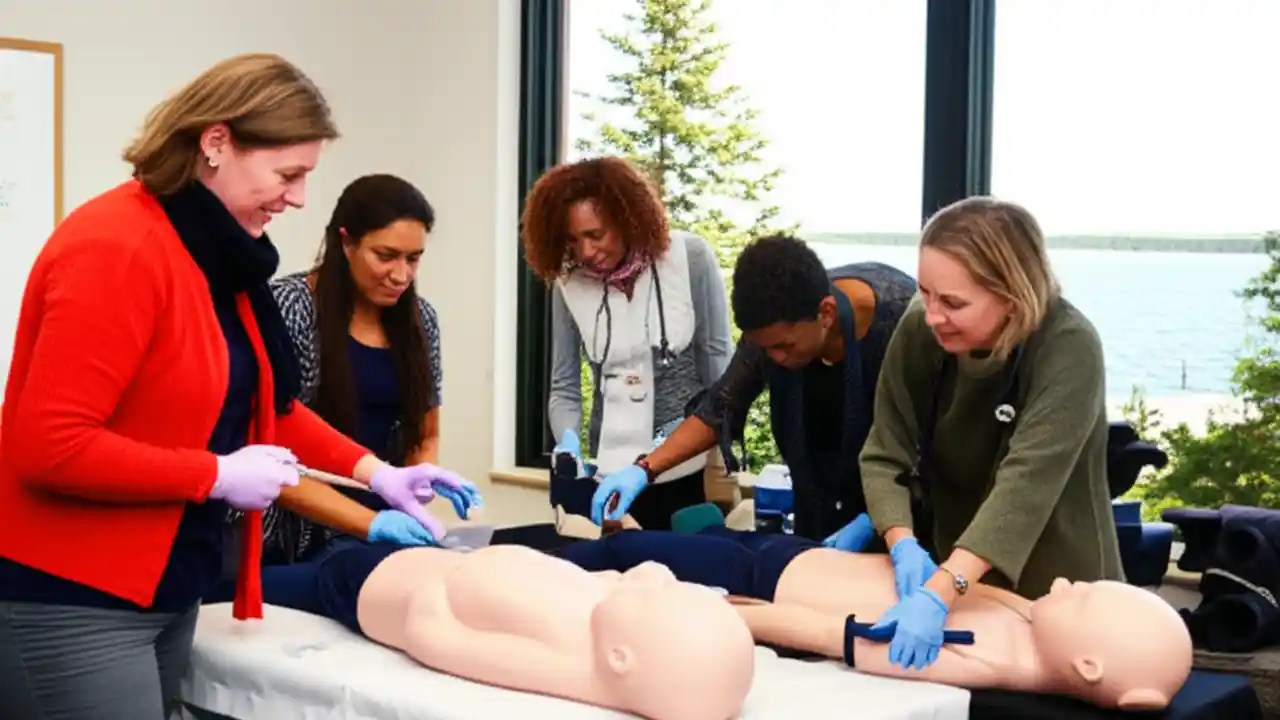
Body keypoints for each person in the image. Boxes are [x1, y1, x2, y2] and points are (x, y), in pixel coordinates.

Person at [0, 53, 475, 720]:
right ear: (216, 143)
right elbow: (47, 445)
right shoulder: (117, 247)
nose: (299, 197)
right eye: (288, 174)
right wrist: (215, 474)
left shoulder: (216, 255)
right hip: (76, 593)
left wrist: (374, 472)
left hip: (169, 586)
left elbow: (263, 406)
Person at [858, 196, 1124, 671]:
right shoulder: (922, 329)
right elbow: (884, 453)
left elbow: (1024, 487)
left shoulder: (1068, 347)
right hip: (958, 577)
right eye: (926, 292)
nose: (933, 313)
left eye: (954, 302)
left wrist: (941, 591)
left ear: (1012, 295)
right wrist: (902, 543)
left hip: (1064, 588)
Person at [552, 527, 1191, 711]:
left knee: (619, 555)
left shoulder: (979, 654)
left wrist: (726, 611)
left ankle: (509, 568)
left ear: (1087, 664)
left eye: (1079, 597)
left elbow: (827, 635)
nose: (1062, 583)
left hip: (761, 579)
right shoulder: (1029, 619)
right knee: (646, 540)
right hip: (800, 553)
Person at [214, 173, 464, 612]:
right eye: (385, 256)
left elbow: (425, 433)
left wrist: (416, 490)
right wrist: (373, 524)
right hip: (290, 538)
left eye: (414, 259)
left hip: (372, 526)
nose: (401, 275)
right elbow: (268, 452)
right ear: (345, 242)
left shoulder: (420, 321)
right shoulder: (287, 307)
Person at [597, 234, 917, 540]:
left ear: (827, 313)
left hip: (906, 514)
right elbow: (722, 406)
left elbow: (926, 450)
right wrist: (644, 470)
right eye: (765, 349)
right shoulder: (771, 325)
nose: (775, 358)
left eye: (784, 346)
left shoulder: (903, 321)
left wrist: (878, 519)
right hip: (817, 504)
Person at [521, 156, 733, 530]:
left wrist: (697, 436)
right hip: (612, 473)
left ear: (628, 219)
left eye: (595, 234)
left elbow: (722, 373)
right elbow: (564, 386)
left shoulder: (689, 257)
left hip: (684, 466)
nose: (586, 252)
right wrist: (567, 444)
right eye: (572, 240)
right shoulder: (568, 285)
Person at [313, 542, 755, 720]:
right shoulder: (608, 615)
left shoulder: (565, 663)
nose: (651, 579)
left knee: (283, 582)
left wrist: (428, 617)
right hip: (431, 558)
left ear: (621, 658)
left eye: (651, 596)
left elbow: (456, 648)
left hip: (376, 584)